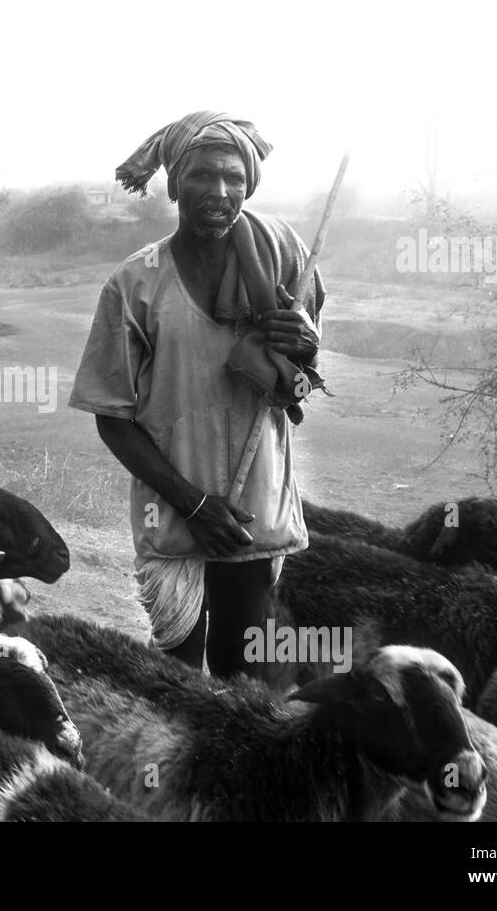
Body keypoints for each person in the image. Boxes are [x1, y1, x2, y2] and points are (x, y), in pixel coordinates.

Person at [68, 110, 325, 676]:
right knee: (177, 683)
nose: (220, 192)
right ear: (175, 183)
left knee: (242, 682)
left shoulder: (284, 257)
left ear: (250, 183)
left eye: (234, 178)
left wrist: (303, 343)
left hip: (255, 512)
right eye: (203, 176)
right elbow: (112, 416)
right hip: (174, 517)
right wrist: (194, 504)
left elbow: (298, 374)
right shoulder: (137, 283)